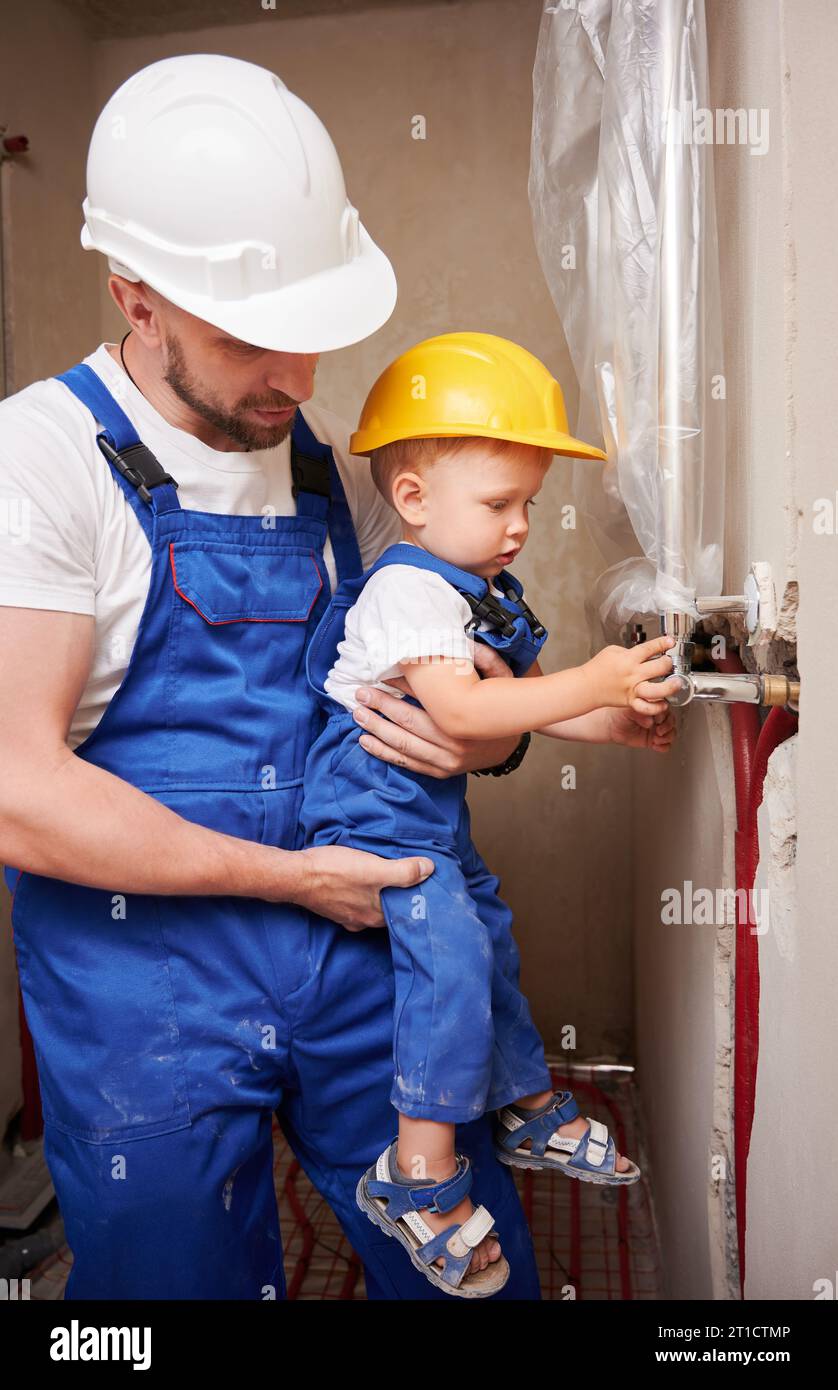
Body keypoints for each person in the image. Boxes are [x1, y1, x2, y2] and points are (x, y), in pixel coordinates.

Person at [0, 56, 552, 1299]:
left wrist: (489, 736)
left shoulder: (338, 475)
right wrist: (290, 877)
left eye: (317, 332)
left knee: (467, 1269)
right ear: (136, 300)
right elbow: (17, 789)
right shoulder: (37, 466)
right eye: (254, 337)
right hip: (141, 980)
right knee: (169, 1290)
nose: (303, 382)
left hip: (356, 943)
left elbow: (444, 675)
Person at [299, 332, 680, 1297]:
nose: (519, 526)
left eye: (529, 506)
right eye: (499, 504)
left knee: (492, 938)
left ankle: (524, 1104)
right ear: (416, 500)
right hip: (374, 821)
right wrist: (594, 679)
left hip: (430, 820)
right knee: (451, 962)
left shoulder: (476, 592)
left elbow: (526, 701)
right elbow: (466, 711)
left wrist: (612, 725)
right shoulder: (407, 591)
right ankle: (415, 1173)